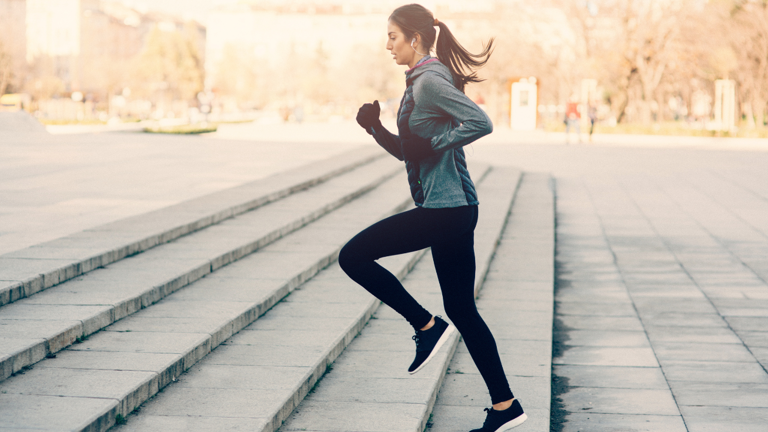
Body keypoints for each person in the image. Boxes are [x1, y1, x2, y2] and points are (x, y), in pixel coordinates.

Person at [338, 4, 526, 432]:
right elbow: (412, 152)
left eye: (392, 36)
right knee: (462, 308)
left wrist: (438, 142)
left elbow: (481, 121)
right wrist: (376, 129)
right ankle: (505, 405)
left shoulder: (429, 81)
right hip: (452, 209)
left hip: (448, 210)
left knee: (354, 257)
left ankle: (425, 325)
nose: (387, 45)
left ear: (415, 39)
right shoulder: (418, 82)